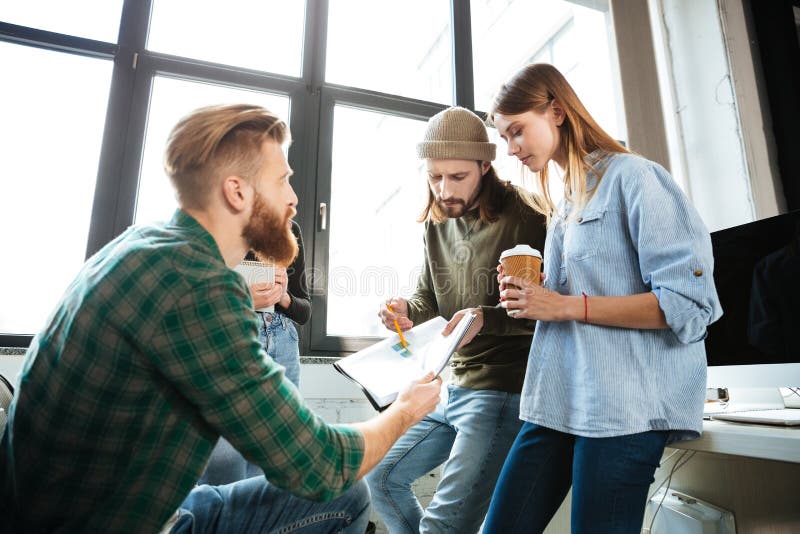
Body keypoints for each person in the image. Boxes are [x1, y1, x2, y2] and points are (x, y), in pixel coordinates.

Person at [0, 104, 442, 534]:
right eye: (283, 180)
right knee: (343, 491)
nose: (294, 197)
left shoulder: (148, 243)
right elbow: (321, 466)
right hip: (105, 522)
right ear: (237, 192)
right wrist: (405, 409)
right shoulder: (200, 284)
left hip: (118, 506)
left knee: (340, 496)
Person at [482, 63, 723, 533]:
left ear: (555, 111)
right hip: (560, 398)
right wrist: (538, 297)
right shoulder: (564, 206)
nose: (511, 149)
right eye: (504, 138)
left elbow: (688, 305)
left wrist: (565, 304)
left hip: (625, 410)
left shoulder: (636, 178)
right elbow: (571, 301)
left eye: (517, 131)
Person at [367, 106, 547, 534]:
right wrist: (406, 310)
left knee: (444, 524)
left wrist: (486, 318)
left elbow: (542, 310)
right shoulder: (436, 222)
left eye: (457, 177)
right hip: (448, 383)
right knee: (381, 479)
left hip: (501, 388)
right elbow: (429, 296)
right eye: (434, 176)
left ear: (486, 165)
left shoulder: (526, 216)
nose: (443, 189)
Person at [198, 221, 310, 486]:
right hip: (234, 333)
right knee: (224, 460)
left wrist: (284, 297)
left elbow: (304, 311)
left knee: (273, 456)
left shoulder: (289, 228)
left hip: (282, 339)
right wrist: (241, 297)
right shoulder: (213, 219)